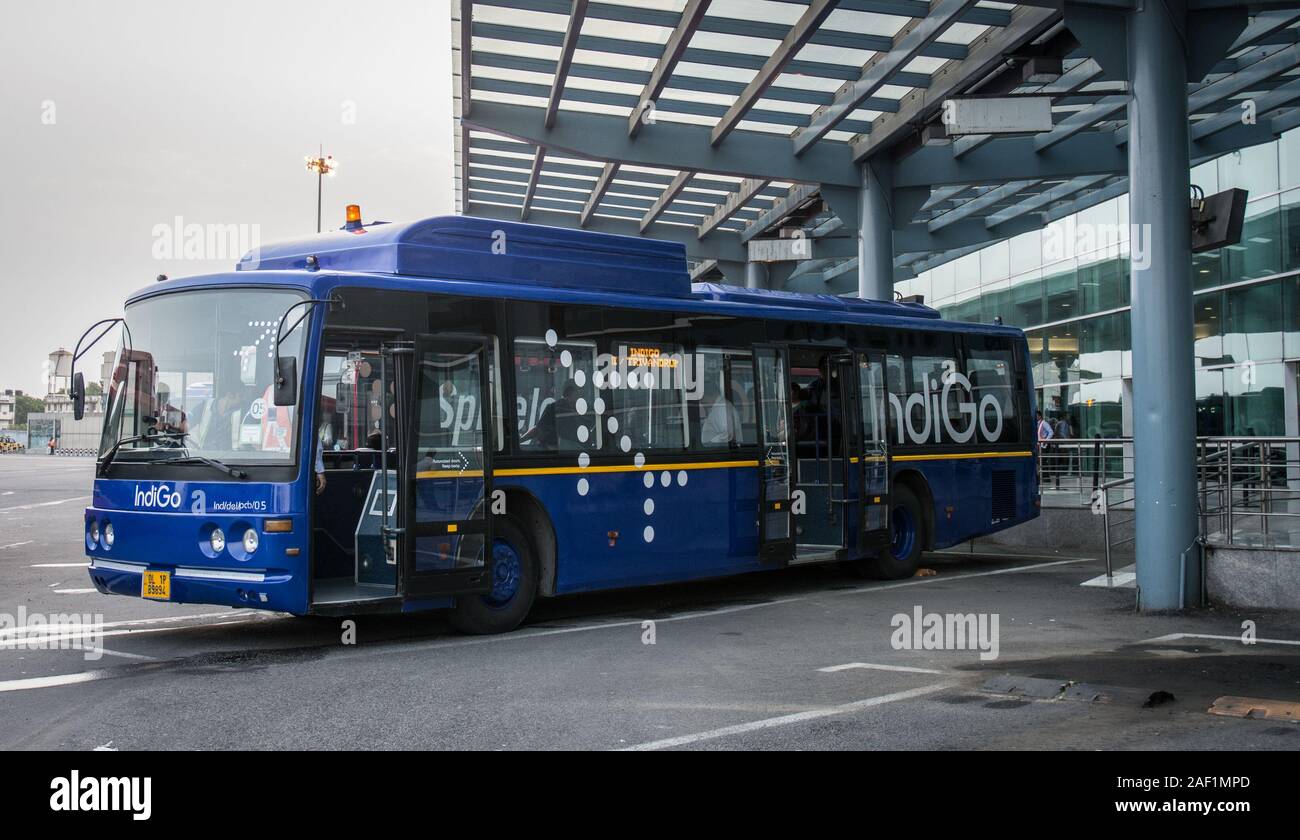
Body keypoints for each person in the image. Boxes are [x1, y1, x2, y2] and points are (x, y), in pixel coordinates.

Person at [522, 382, 579, 449]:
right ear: (572, 392)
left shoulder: (552, 407)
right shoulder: (575, 411)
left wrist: (521, 440)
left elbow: (537, 429)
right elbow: (538, 430)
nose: (579, 395)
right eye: (578, 391)